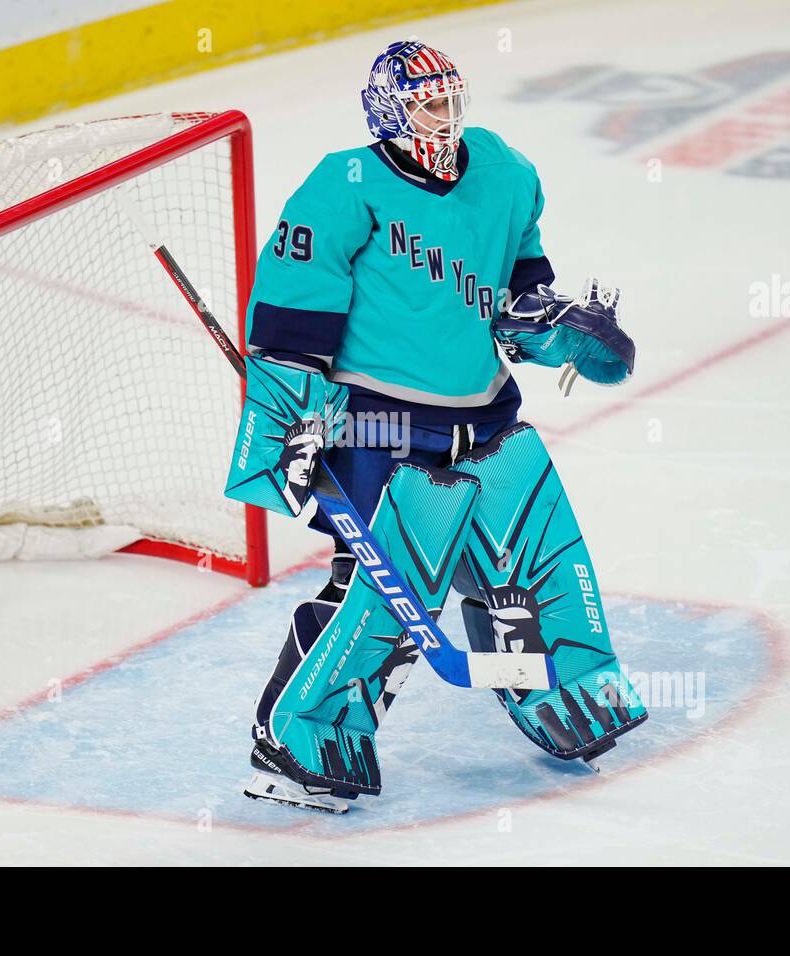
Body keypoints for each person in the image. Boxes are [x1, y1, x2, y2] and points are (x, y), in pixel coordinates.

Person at [225, 40, 643, 813]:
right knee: (379, 597)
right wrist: (290, 423)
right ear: (388, 112)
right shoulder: (341, 187)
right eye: (428, 105)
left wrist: (557, 331)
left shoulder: (503, 172)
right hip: (378, 431)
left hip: (486, 418)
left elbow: (518, 297)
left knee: (531, 564)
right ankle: (296, 737)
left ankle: (560, 690)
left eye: (452, 101)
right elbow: (290, 320)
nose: (445, 118)